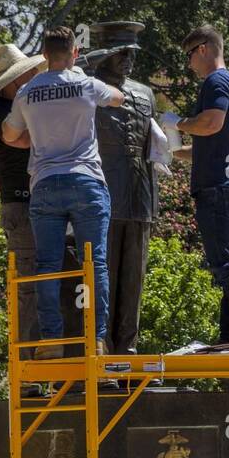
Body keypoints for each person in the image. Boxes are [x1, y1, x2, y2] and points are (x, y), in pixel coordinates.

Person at [2, 26, 125, 360]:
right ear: (74, 53)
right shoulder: (85, 83)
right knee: (94, 262)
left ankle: (52, 342)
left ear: (43, 56)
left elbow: (8, 134)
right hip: (86, 181)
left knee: (48, 265)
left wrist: (34, 140)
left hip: (44, 184)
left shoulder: (27, 91)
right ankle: (95, 340)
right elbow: (119, 98)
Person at [172, 24, 229, 353]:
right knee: (227, 263)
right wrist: (168, 152)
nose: (188, 64)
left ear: (203, 49)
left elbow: (211, 123)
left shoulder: (217, 81)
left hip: (218, 189)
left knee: (226, 264)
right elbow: (207, 143)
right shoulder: (227, 84)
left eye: (188, 56)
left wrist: (177, 123)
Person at [87, 21, 158, 355]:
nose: (129, 59)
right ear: (106, 53)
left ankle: (127, 350)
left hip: (141, 193)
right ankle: (104, 349)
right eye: (122, 52)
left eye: (132, 53)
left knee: (133, 278)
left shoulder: (146, 93)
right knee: (106, 275)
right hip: (105, 191)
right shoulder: (88, 88)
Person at [0, 44, 45, 363]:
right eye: (27, 74)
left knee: (47, 280)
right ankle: (27, 366)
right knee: (29, 285)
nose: (33, 77)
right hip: (21, 206)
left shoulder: (22, 107)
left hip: (37, 203)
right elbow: (19, 139)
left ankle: (43, 356)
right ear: (12, 81)